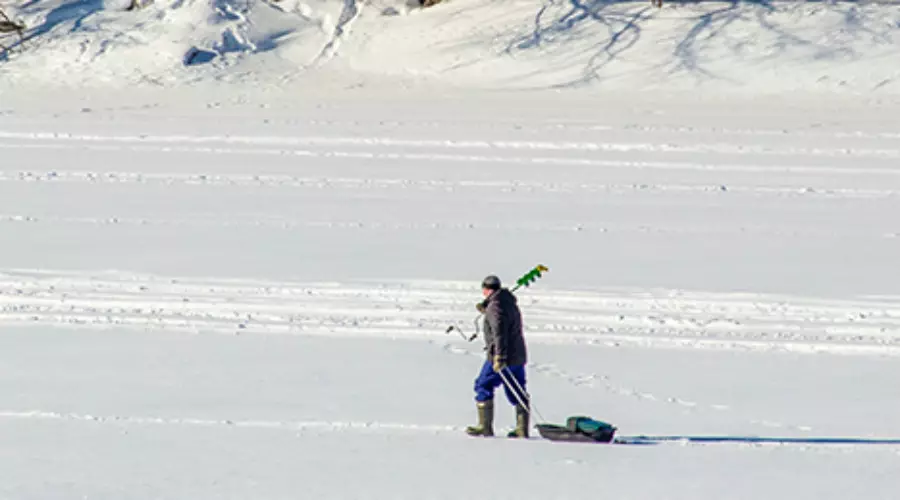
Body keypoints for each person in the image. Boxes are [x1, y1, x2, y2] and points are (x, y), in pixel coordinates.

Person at [465, 275, 530, 438]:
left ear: (487, 290)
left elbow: (499, 333)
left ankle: (484, 426)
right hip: (518, 355)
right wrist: (486, 310)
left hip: (502, 356)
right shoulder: (507, 302)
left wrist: (499, 357)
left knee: (483, 385)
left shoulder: (495, 307)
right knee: (516, 390)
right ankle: (522, 428)